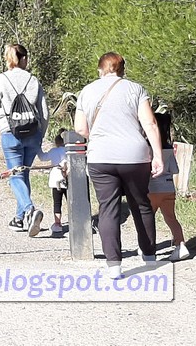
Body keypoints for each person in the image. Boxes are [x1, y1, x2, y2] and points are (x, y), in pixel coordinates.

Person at [74, 52, 164, 280]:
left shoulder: (86, 91)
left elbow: (81, 129)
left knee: (108, 208)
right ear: (123, 70)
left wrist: (99, 137)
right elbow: (150, 123)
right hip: (135, 156)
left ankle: (114, 265)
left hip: (100, 157)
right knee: (141, 204)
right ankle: (149, 256)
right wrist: (157, 155)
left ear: (100, 70)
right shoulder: (136, 89)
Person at [0, 43, 50, 237]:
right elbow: (44, 112)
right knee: (23, 174)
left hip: (10, 134)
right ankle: (19, 218)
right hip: (33, 133)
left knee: (15, 176)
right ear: (24, 59)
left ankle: (29, 209)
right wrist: (41, 135)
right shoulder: (33, 80)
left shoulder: (0, 80)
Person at [150, 110, 190, 261]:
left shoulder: (149, 148)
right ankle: (181, 245)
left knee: (147, 218)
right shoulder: (168, 148)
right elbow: (175, 170)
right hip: (168, 189)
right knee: (171, 218)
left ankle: (148, 248)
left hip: (151, 189)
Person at [41, 129, 69, 236]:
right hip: (67, 179)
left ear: (56, 142)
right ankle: (75, 221)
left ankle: (57, 224)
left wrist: (37, 148)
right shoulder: (68, 151)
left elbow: (43, 157)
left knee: (57, 203)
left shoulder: (53, 151)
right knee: (70, 201)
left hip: (55, 179)